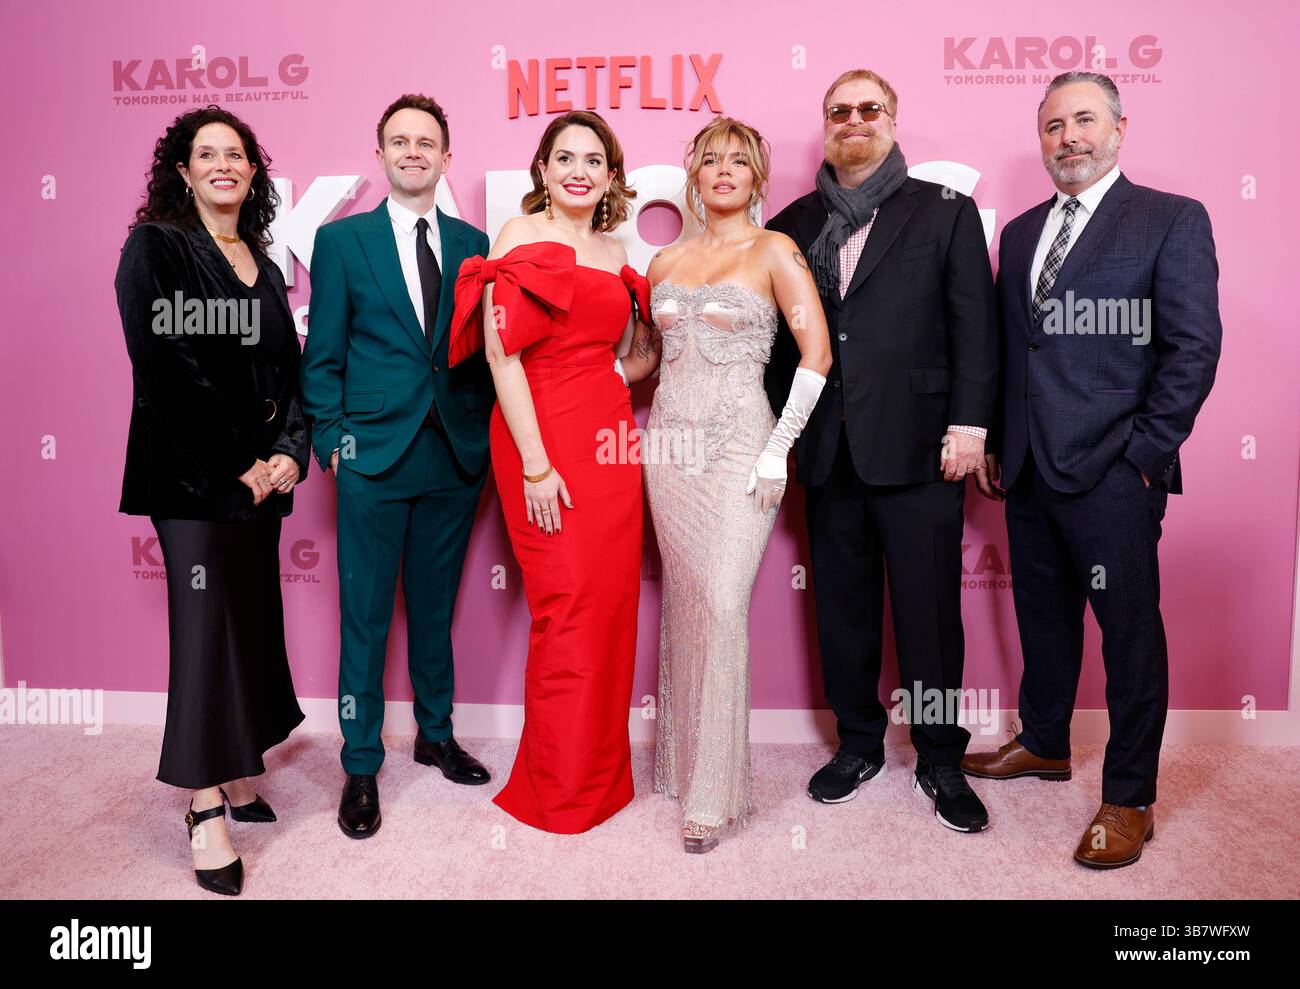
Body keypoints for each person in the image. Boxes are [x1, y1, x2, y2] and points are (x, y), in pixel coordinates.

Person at [963, 72, 1222, 868]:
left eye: (1083, 121)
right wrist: (1003, 443)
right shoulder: (1020, 232)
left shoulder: (1170, 219)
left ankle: (1130, 795)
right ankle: (1043, 742)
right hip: (1032, 470)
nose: (1068, 137)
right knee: (1043, 620)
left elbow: (1193, 348)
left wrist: (1145, 457)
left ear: (1118, 128)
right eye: (1052, 126)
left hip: (1115, 471)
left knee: (1129, 638)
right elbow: (1017, 349)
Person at [764, 68, 999, 832]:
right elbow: (777, 345)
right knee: (844, 612)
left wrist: (970, 423)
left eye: (870, 109)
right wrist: (783, 435)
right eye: (841, 111)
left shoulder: (944, 211)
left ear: (893, 119)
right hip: (829, 450)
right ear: (826, 124)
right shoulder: (795, 220)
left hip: (924, 448)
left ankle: (939, 757)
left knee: (929, 615)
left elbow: (976, 326)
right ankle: (858, 742)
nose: (854, 120)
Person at [620, 118, 831, 853]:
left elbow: (817, 352)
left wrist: (779, 449)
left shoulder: (775, 249)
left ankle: (714, 793)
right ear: (693, 174)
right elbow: (647, 359)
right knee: (686, 601)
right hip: (669, 449)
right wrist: (576, 377)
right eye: (710, 160)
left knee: (722, 599)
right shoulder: (664, 260)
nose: (723, 171)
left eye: (738, 161)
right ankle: (682, 764)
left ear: (757, 178)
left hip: (745, 444)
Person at [116, 105, 309, 895]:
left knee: (249, 617)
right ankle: (203, 807)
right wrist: (241, 463)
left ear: (254, 174)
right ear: (184, 171)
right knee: (201, 630)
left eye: (238, 154)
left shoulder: (261, 262)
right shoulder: (156, 247)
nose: (225, 164)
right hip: (192, 480)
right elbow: (166, 368)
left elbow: (287, 376)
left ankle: (235, 766)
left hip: (258, 479)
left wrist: (288, 455)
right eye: (208, 154)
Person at [448, 110, 649, 834]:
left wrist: (630, 377)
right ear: (542, 170)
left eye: (593, 160)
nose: (578, 170)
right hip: (540, 436)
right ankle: (560, 786)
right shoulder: (519, 237)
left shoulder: (616, 247)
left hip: (609, 439)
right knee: (565, 609)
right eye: (564, 157)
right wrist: (536, 465)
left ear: (611, 176)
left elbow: (630, 354)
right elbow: (503, 356)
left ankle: (602, 778)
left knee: (610, 606)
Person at [299, 94, 494, 840]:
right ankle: (359, 761)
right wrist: (334, 447)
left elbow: (479, 354)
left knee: (436, 609)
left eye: (427, 142)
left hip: (452, 455)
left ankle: (437, 734)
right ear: (379, 156)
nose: (414, 152)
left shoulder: (475, 240)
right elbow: (325, 360)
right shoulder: (343, 242)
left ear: (448, 157)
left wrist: (477, 438)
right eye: (399, 141)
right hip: (371, 460)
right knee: (366, 619)